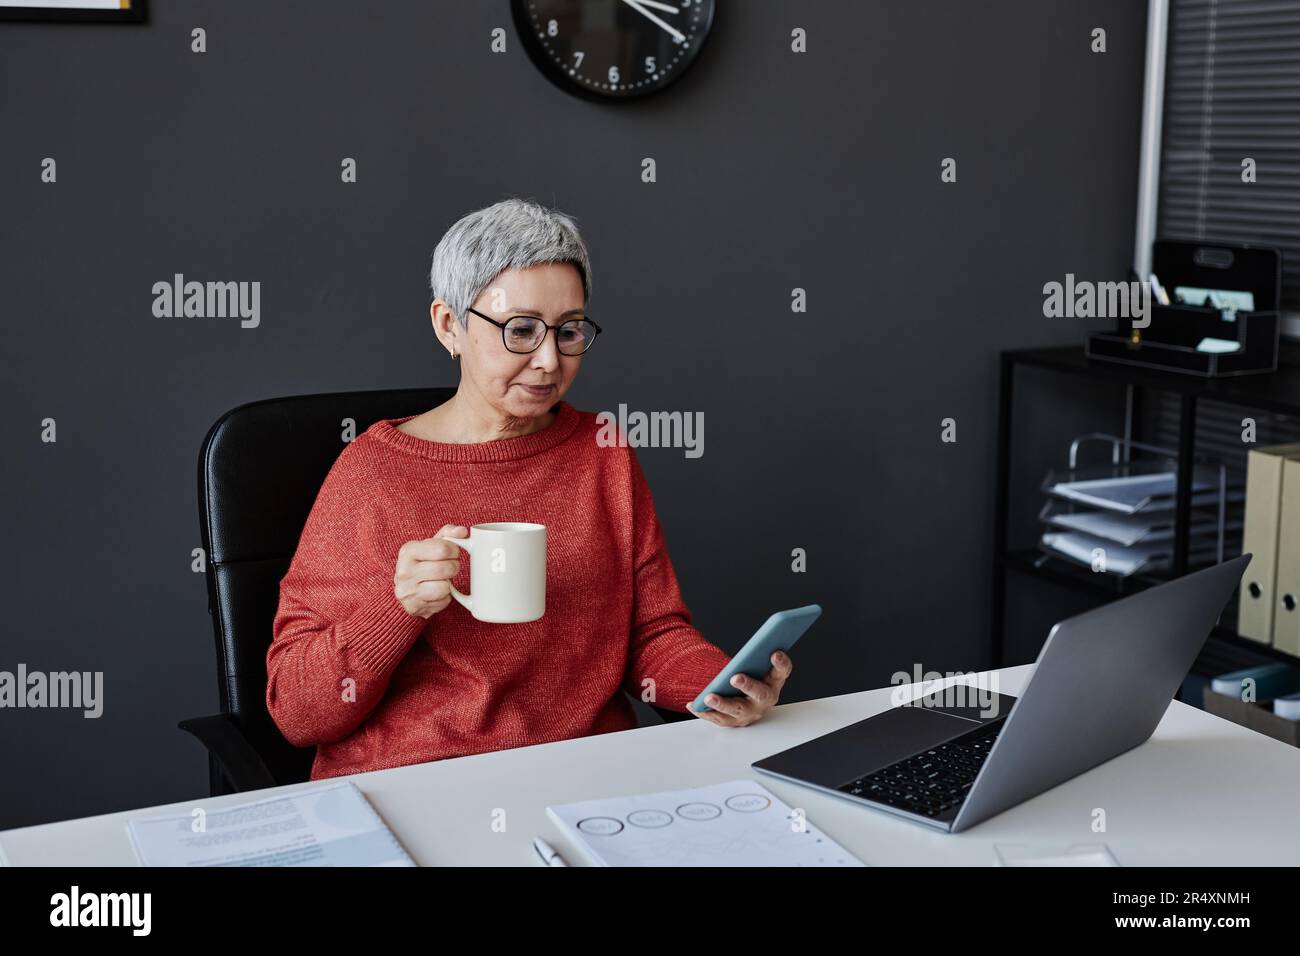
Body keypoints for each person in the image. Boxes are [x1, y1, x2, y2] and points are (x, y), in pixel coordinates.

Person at [266, 197, 793, 779]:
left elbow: (653, 634)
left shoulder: (602, 448)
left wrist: (722, 687)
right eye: (520, 331)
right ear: (450, 326)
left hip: (583, 777)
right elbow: (297, 713)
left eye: (569, 332)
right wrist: (398, 608)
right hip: (417, 783)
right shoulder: (372, 474)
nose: (549, 361)